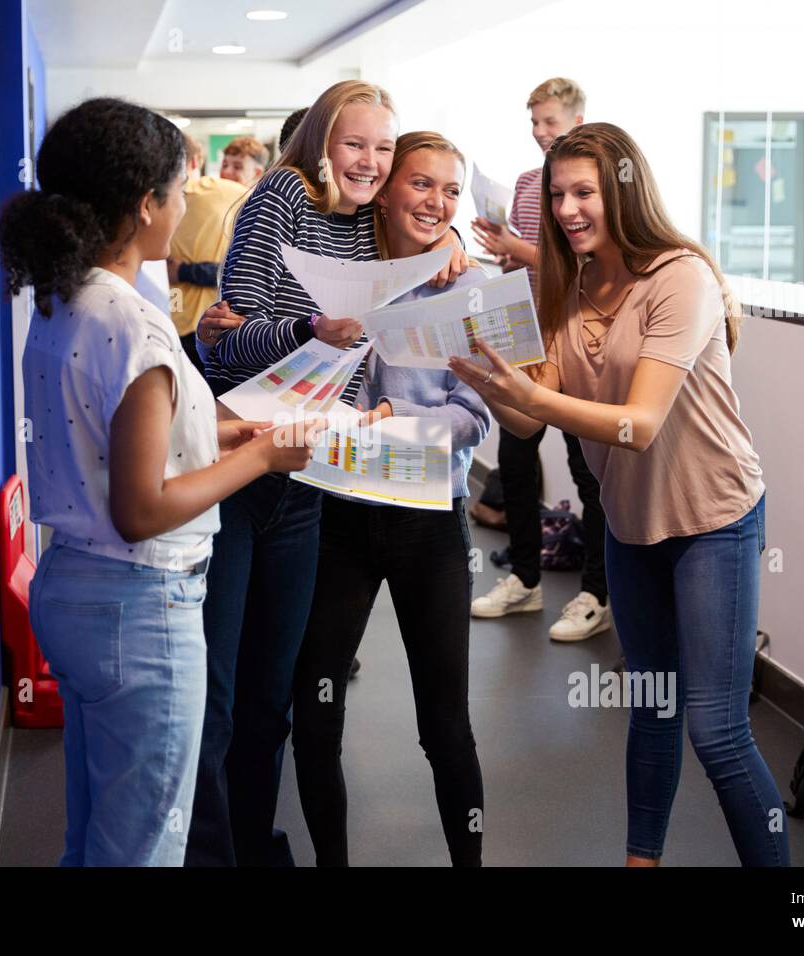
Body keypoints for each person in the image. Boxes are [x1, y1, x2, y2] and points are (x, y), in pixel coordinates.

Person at [450, 122, 789, 867]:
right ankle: (642, 862)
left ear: (625, 194)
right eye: (557, 195)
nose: (568, 210)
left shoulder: (680, 276)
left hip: (713, 518)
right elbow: (530, 408)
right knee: (653, 708)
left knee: (717, 732)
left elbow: (636, 424)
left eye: (584, 193)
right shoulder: (565, 287)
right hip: (631, 524)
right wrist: (484, 383)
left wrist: (529, 399)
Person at [0, 97, 315, 867]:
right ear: (147, 205)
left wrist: (227, 433)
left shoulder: (63, 298)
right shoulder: (135, 324)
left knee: (96, 835)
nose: (185, 206)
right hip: (139, 608)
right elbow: (142, 509)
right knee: (142, 848)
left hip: (73, 590)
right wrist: (262, 460)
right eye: (178, 191)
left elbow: (113, 441)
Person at [186, 80, 468, 868]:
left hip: (306, 479)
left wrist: (452, 249)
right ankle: (212, 855)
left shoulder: (369, 231)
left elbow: (429, 232)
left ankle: (252, 840)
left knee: (273, 697)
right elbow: (221, 346)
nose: (371, 162)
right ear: (320, 141)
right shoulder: (281, 194)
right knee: (220, 696)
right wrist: (312, 327)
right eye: (356, 144)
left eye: (385, 147)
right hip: (243, 468)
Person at [291, 131, 490, 866]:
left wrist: (395, 424)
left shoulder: (472, 289)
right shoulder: (339, 271)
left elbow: (475, 415)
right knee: (314, 710)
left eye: (450, 191)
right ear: (386, 188)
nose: (436, 203)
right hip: (336, 517)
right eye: (421, 184)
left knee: (445, 726)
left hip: (428, 523)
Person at [468, 78, 612, 643]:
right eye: (534, 122)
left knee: (587, 471)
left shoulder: (598, 186)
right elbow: (531, 265)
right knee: (516, 460)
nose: (540, 131)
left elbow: (585, 265)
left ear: (577, 118)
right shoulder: (530, 183)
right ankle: (526, 580)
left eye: (550, 121)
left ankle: (596, 594)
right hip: (526, 340)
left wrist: (518, 249)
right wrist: (504, 253)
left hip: (575, 341)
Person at [166, 133, 247, 372]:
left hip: (173, 313)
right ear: (195, 161)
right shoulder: (228, 192)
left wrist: (182, 270)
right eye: (227, 165)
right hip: (206, 322)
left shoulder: (153, 199)